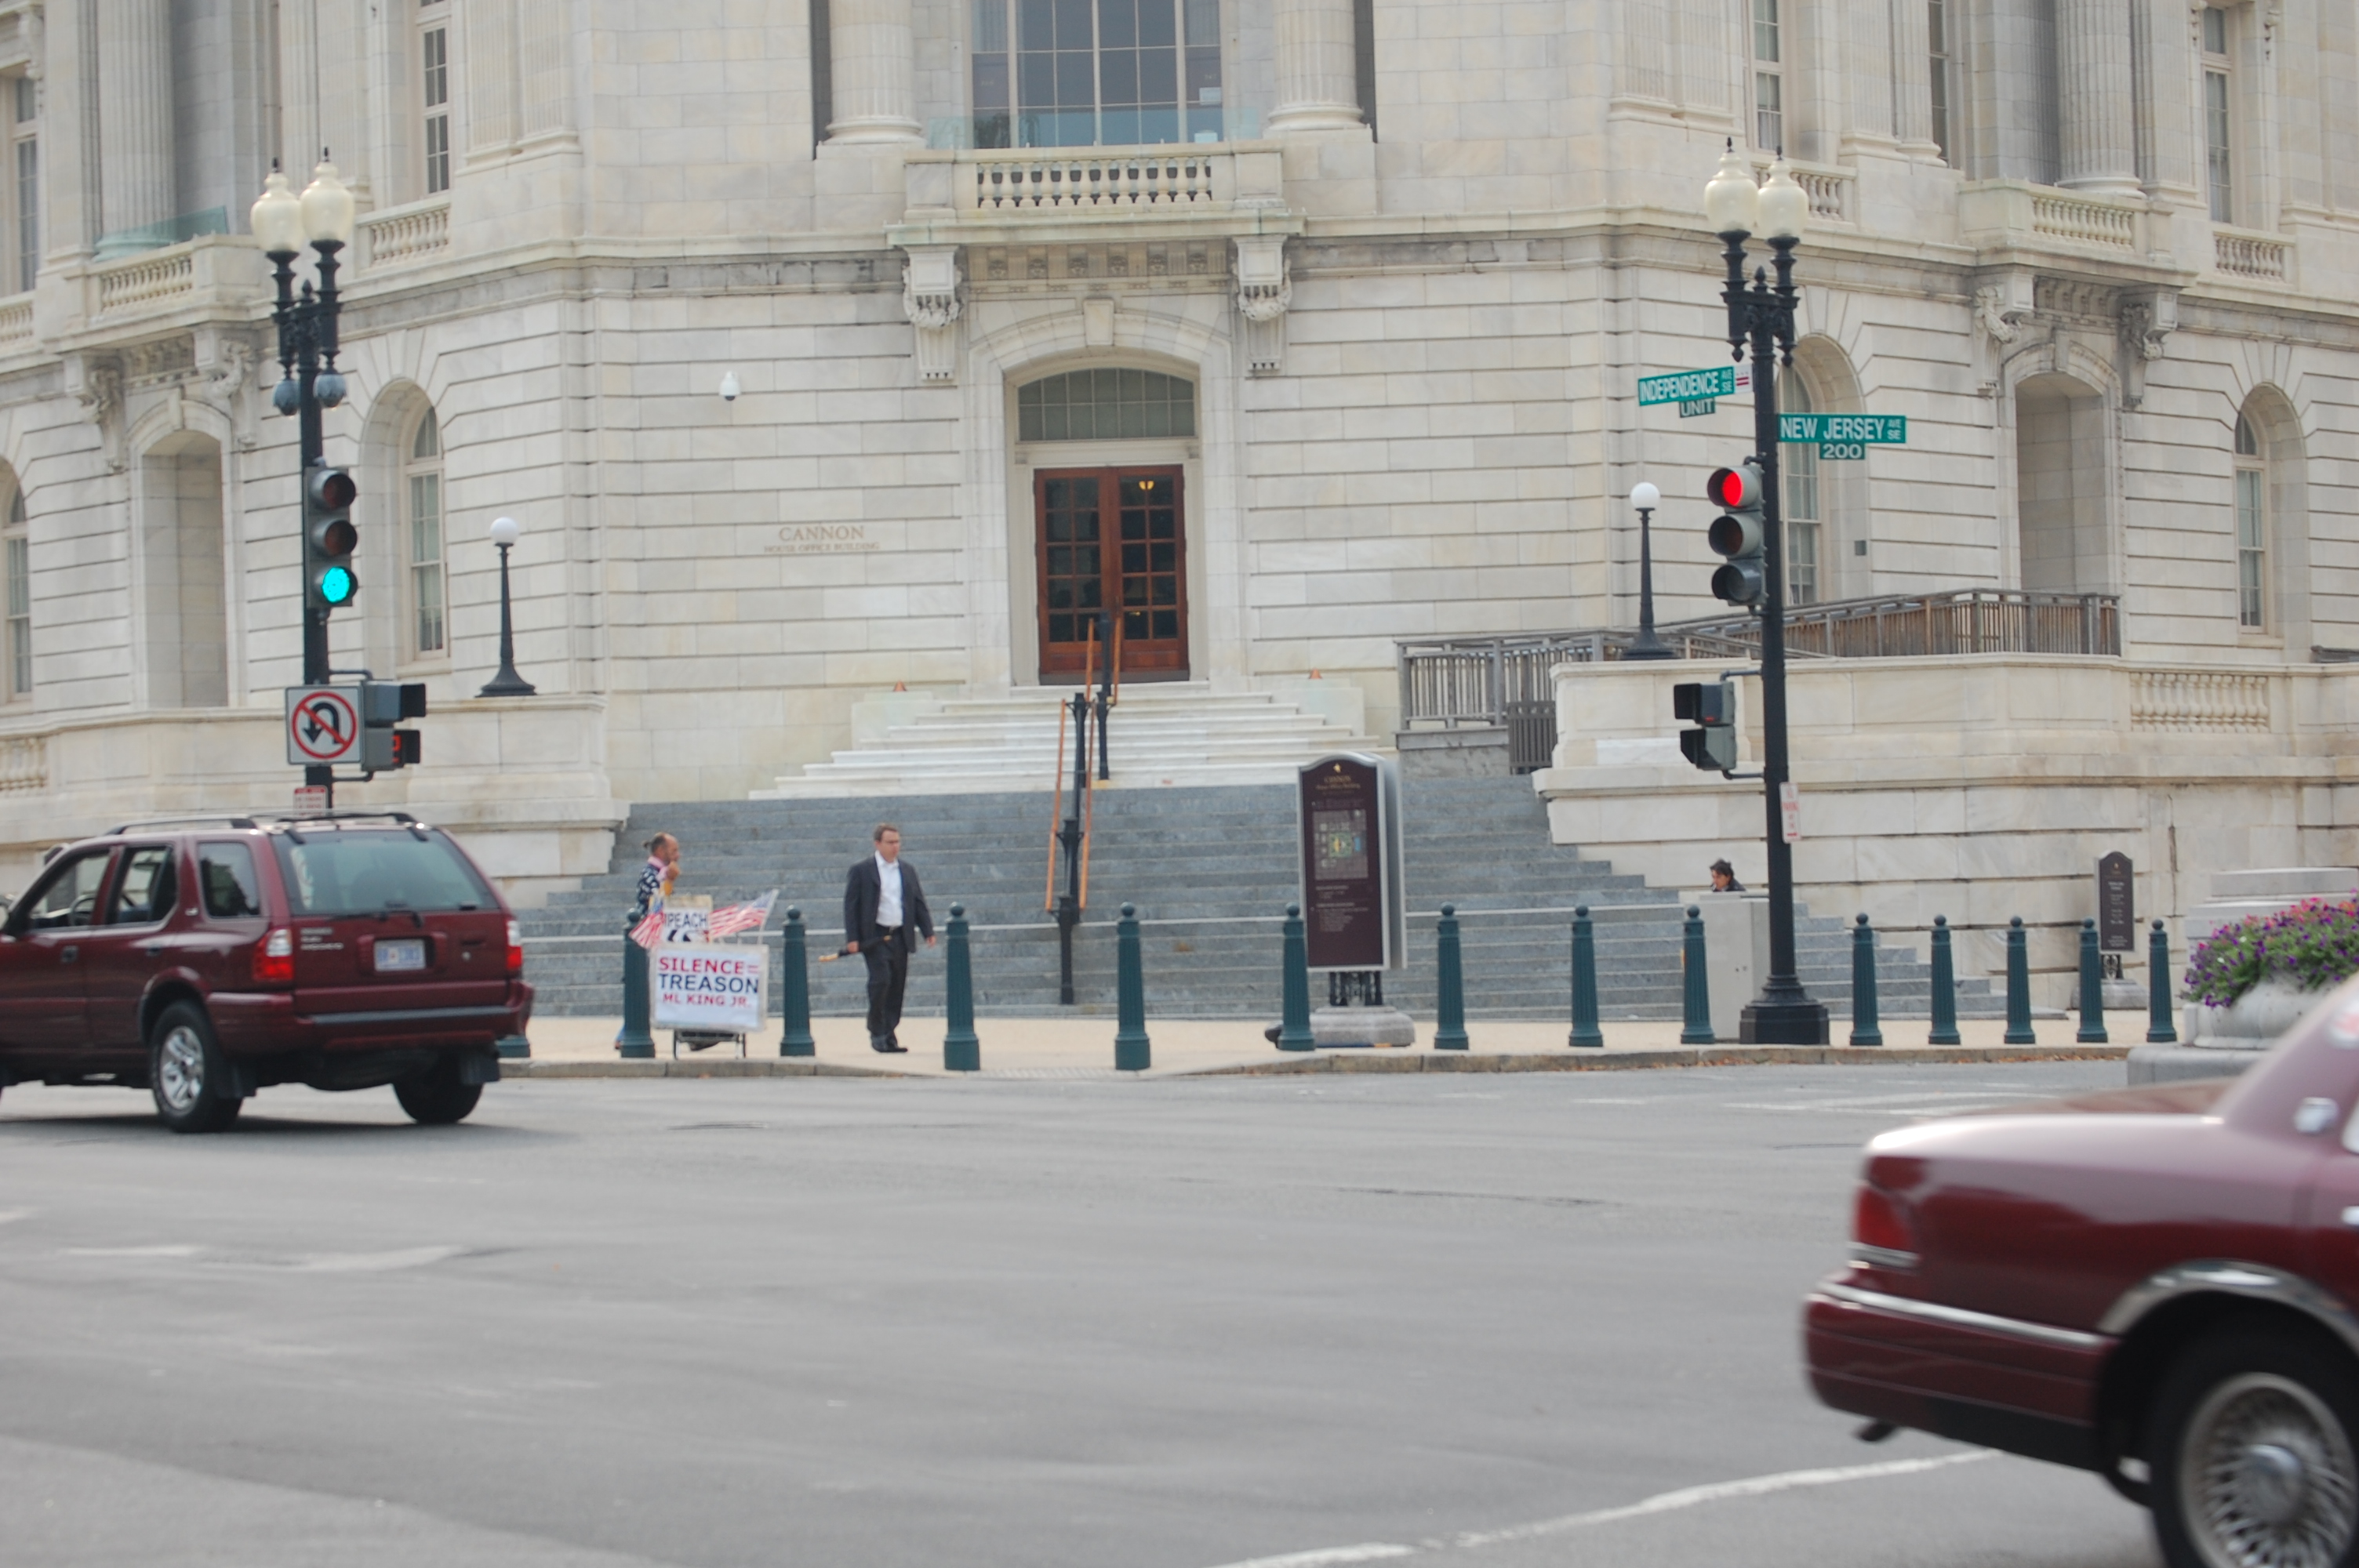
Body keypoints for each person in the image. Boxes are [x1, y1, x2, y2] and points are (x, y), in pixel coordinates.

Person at [843, 824, 934, 1054]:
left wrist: (928, 931)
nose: (895, 847)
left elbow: (918, 902)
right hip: (875, 937)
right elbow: (851, 906)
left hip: (900, 936)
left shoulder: (907, 870)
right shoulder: (862, 870)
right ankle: (876, 1030)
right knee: (881, 981)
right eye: (890, 842)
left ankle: (889, 1032)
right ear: (878, 844)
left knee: (896, 986)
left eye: (897, 842)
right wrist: (852, 938)